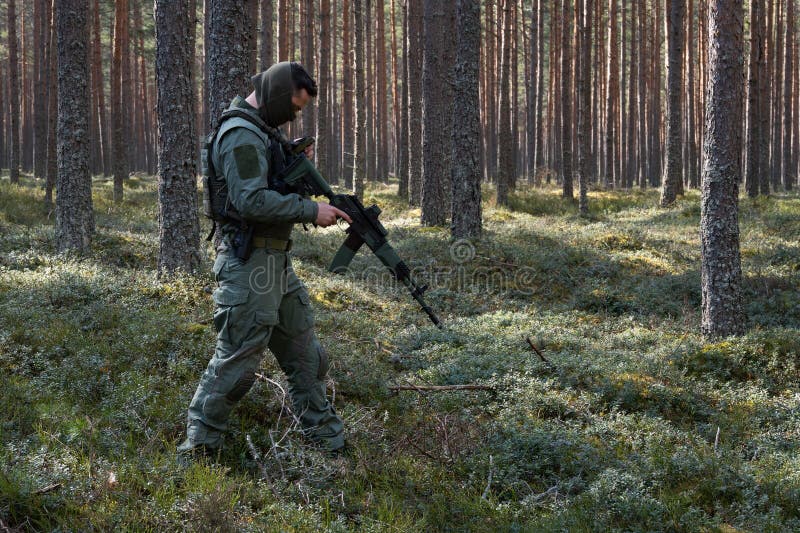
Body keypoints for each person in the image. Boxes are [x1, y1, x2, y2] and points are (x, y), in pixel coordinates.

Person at [178, 61, 352, 460]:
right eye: (294, 105)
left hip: (276, 266)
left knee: (308, 357)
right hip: (249, 265)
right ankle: (197, 452)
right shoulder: (241, 134)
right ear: (275, 95)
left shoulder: (263, 133)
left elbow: (265, 184)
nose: (296, 114)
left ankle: (329, 444)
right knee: (236, 365)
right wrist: (311, 210)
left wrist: (290, 160)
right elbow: (249, 200)